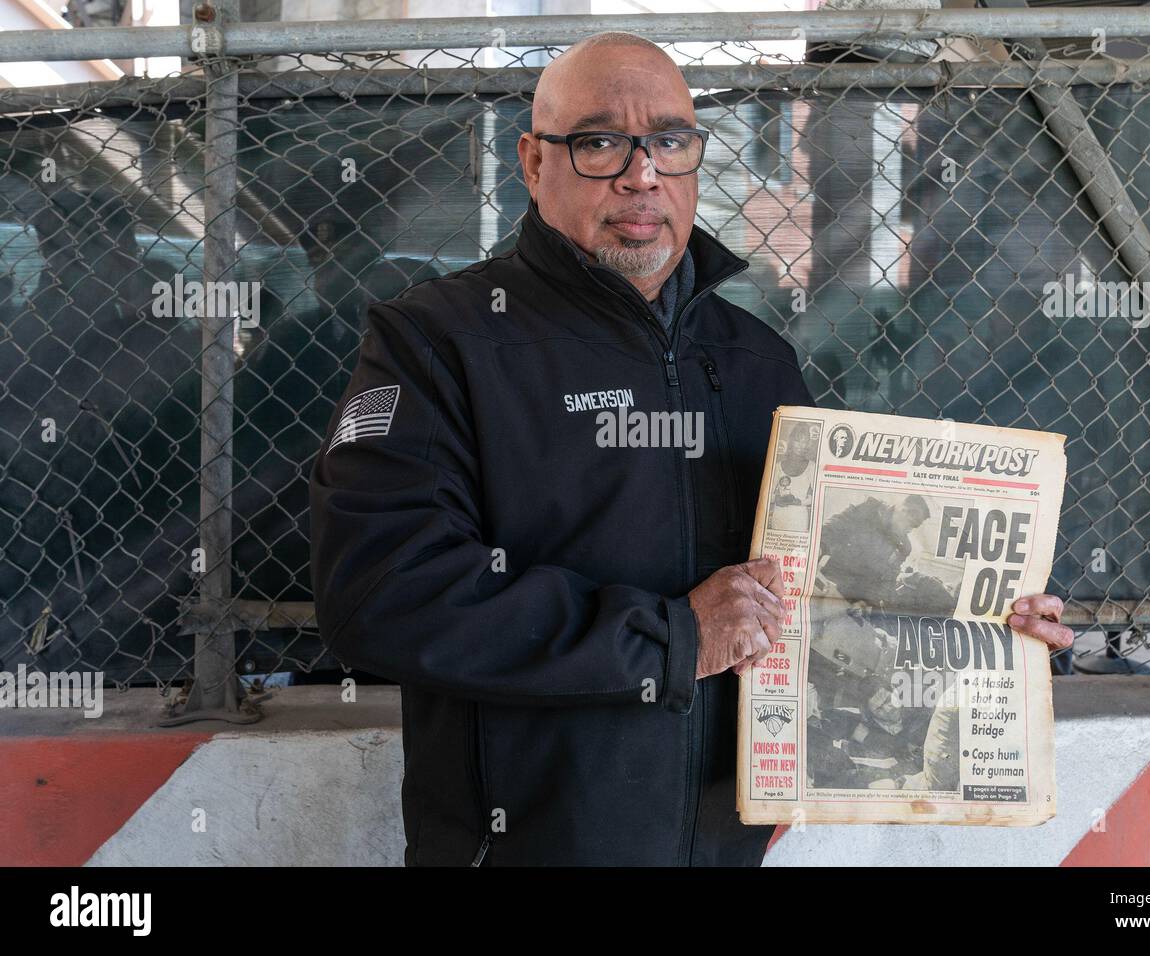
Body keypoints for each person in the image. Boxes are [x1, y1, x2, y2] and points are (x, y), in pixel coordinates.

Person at [308, 31, 1074, 867]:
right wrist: (673, 637)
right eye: (600, 143)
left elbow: (825, 596)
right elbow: (380, 596)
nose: (643, 175)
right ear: (533, 163)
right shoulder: (439, 342)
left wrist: (983, 628)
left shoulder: (756, 360)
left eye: (671, 141)